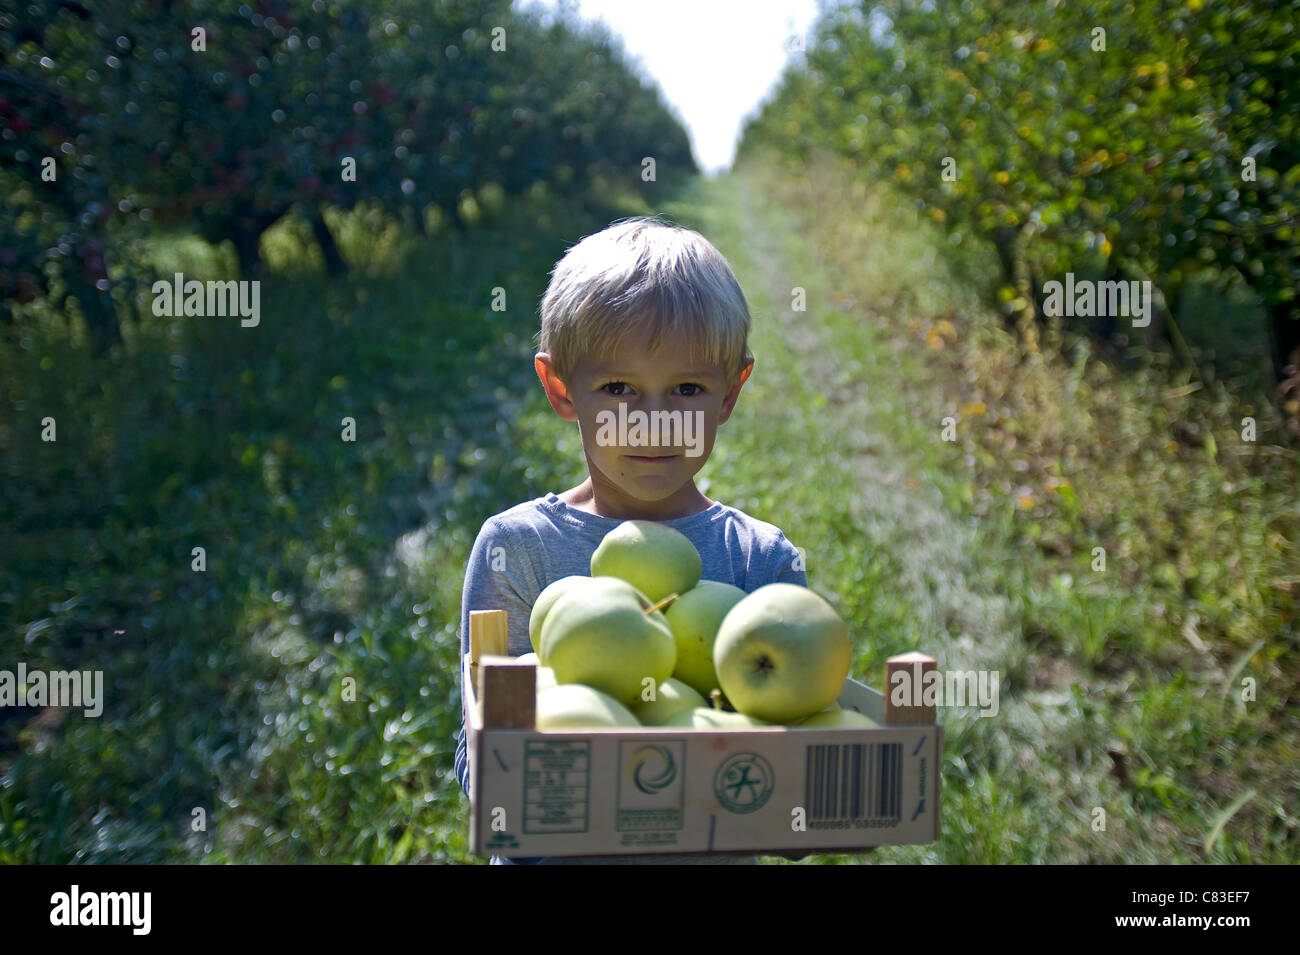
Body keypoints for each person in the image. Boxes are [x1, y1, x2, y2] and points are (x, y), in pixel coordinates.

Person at [452, 215, 808, 864]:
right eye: (618, 388)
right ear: (561, 389)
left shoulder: (762, 563)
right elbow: (479, 763)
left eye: (688, 388)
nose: (653, 422)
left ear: (730, 394)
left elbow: (787, 783)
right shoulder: (517, 548)